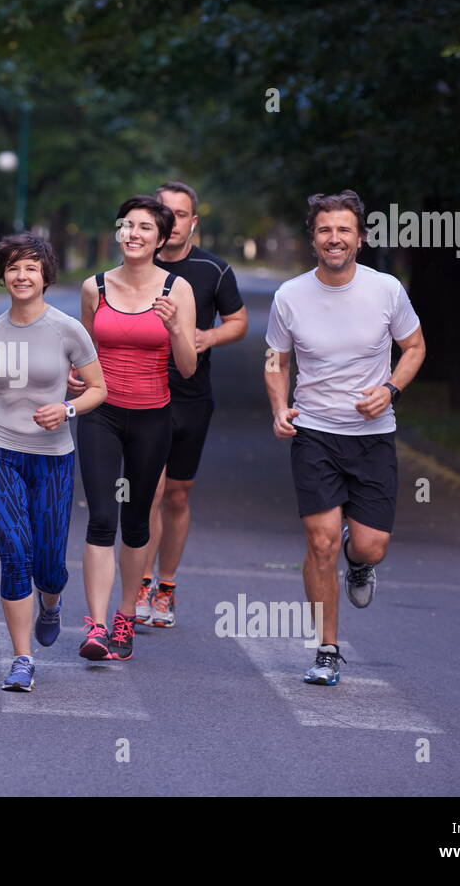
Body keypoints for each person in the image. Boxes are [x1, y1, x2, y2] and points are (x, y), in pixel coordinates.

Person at [263, 190, 425, 685]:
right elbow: (277, 359)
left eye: (344, 230)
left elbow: (414, 346)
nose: (335, 239)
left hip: (373, 436)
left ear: (360, 237)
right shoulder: (289, 295)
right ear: (313, 238)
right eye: (325, 230)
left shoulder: (387, 290)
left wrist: (390, 388)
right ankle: (327, 650)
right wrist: (278, 408)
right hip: (314, 432)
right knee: (320, 541)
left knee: (370, 546)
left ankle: (360, 563)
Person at [0, 233, 106, 690]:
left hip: (54, 458)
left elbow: (98, 389)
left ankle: (51, 603)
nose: (22, 276)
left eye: (31, 268)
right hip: (1, 452)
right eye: (13, 268)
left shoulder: (67, 329)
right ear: (2, 276)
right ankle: (21, 659)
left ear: (45, 276)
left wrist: (65, 408)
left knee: (50, 564)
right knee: (15, 554)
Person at [72, 196, 196, 662]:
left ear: (162, 240)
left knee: (136, 519)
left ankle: (126, 614)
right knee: (101, 516)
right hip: (101, 412)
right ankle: (96, 626)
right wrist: (76, 375)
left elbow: (186, 368)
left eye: (146, 228)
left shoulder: (176, 290)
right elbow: (84, 352)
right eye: (127, 225)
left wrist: (176, 329)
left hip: (152, 415)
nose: (135, 234)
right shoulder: (95, 287)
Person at [136, 182, 248, 628]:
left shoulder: (213, 270)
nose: (172, 220)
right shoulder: (135, 263)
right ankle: (140, 581)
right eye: (164, 211)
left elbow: (237, 322)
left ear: (192, 221)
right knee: (151, 490)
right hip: (143, 394)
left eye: (181, 214)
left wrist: (209, 336)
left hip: (192, 396)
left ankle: (166, 585)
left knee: (178, 494)